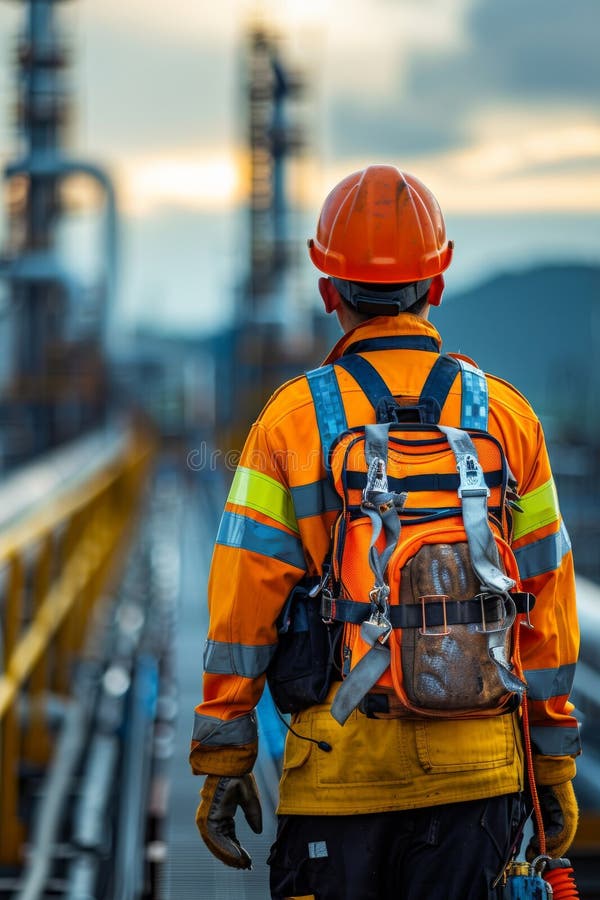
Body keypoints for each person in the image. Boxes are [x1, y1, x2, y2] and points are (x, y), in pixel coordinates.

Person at [190, 165, 581, 899]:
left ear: (326, 290)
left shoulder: (290, 421)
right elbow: (548, 608)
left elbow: (241, 605)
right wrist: (554, 765)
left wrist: (224, 756)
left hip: (339, 778)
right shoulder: (509, 419)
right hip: (480, 780)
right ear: (437, 283)